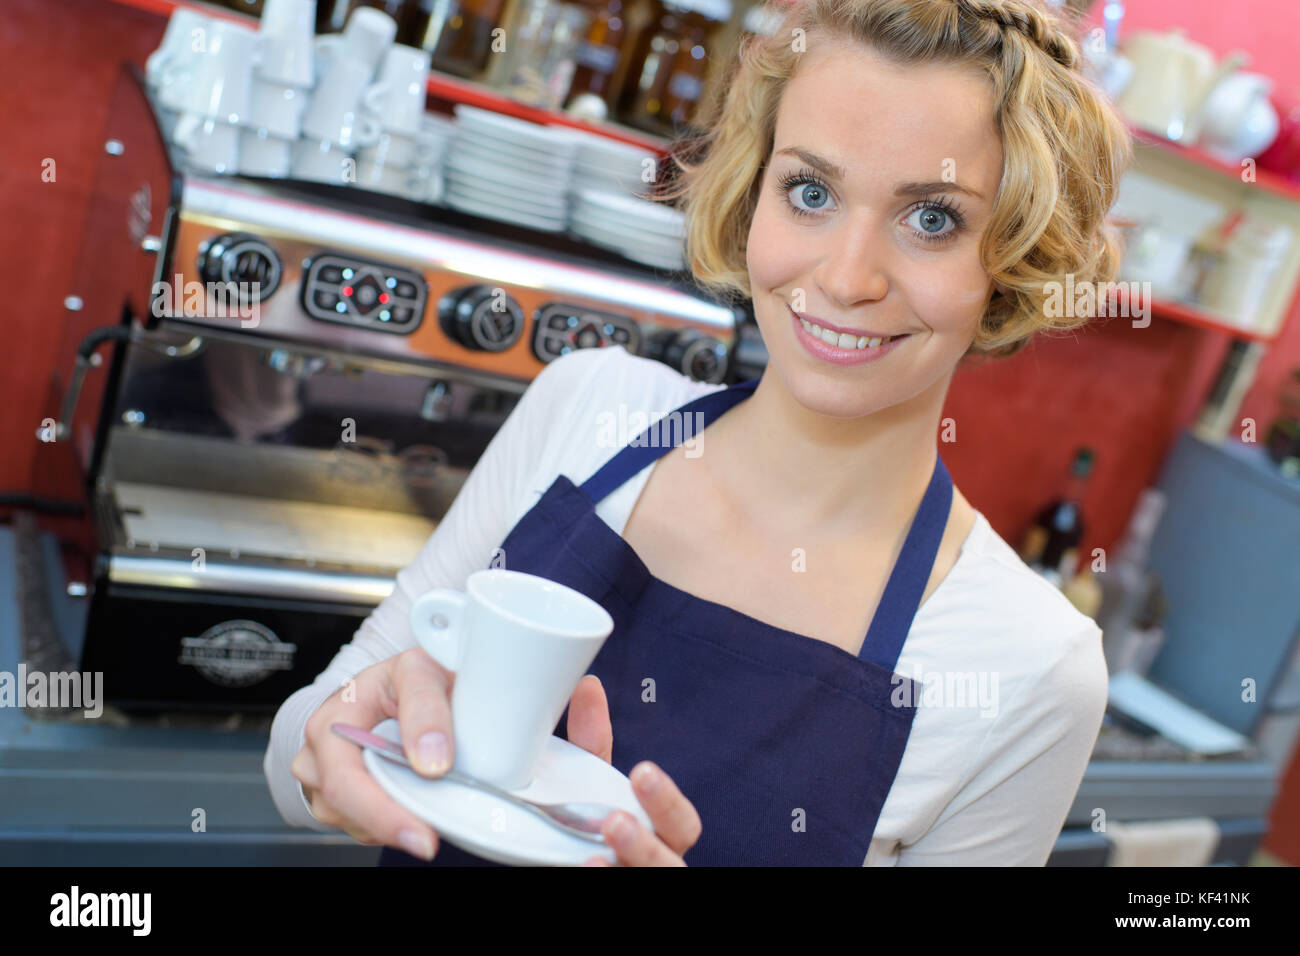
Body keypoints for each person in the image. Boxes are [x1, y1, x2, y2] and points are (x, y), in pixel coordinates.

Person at [265, 0, 1130, 866]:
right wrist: (337, 744)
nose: (846, 276)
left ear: (1017, 258)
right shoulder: (589, 410)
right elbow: (301, 748)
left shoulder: (1030, 664)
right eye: (811, 192)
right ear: (753, 189)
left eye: (932, 218)